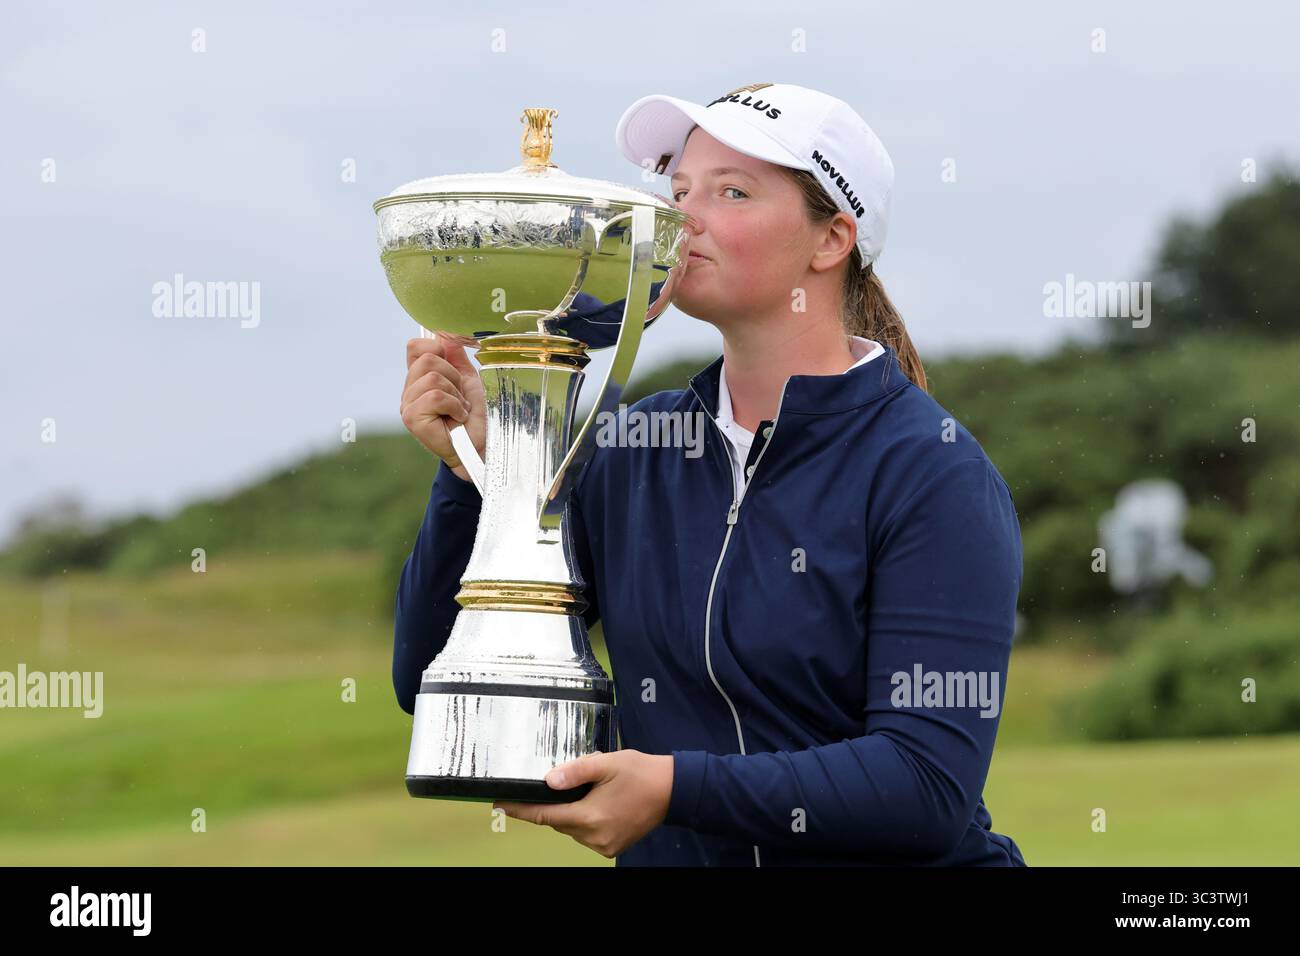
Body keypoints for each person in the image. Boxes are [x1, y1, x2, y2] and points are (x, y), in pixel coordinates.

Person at [394, 82, 1027, 866]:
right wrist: (478, 473)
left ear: (830, 240)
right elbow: (433, 684)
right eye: (680, 190)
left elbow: (924, 787)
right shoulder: (633, 450)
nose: (685, 218)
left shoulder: (930, 471)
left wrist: (673, 790)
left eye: (732, 192)